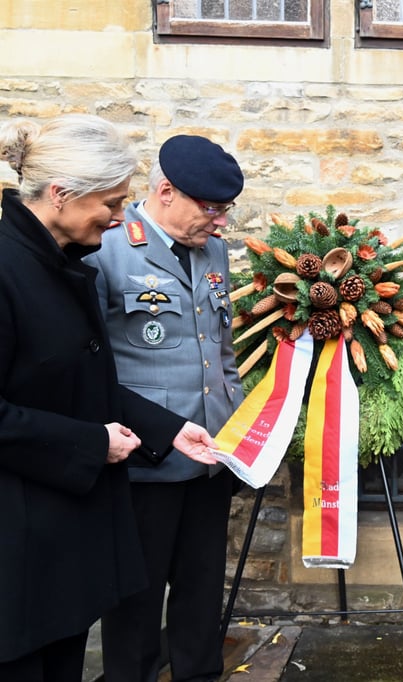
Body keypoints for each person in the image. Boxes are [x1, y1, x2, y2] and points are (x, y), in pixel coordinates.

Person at [0, 115, 219, 681]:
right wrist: (91, 442)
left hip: (62, 530)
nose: (121, 216)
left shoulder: (58, 262)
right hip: (19, 537)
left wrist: (168, 428)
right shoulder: (13, 268)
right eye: (112, 202)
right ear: (61, 194)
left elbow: (87, 379)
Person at [83, 134, 245, 682]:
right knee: (136, 600)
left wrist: (237, 430)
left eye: (225, 210)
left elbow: (221, 354)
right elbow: (91, 365)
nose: (219, 222)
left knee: (202, 593)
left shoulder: (214, 251)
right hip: (144, 461)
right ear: (167, 192)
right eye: (211, 208)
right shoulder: (105, 247)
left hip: (209, 458)